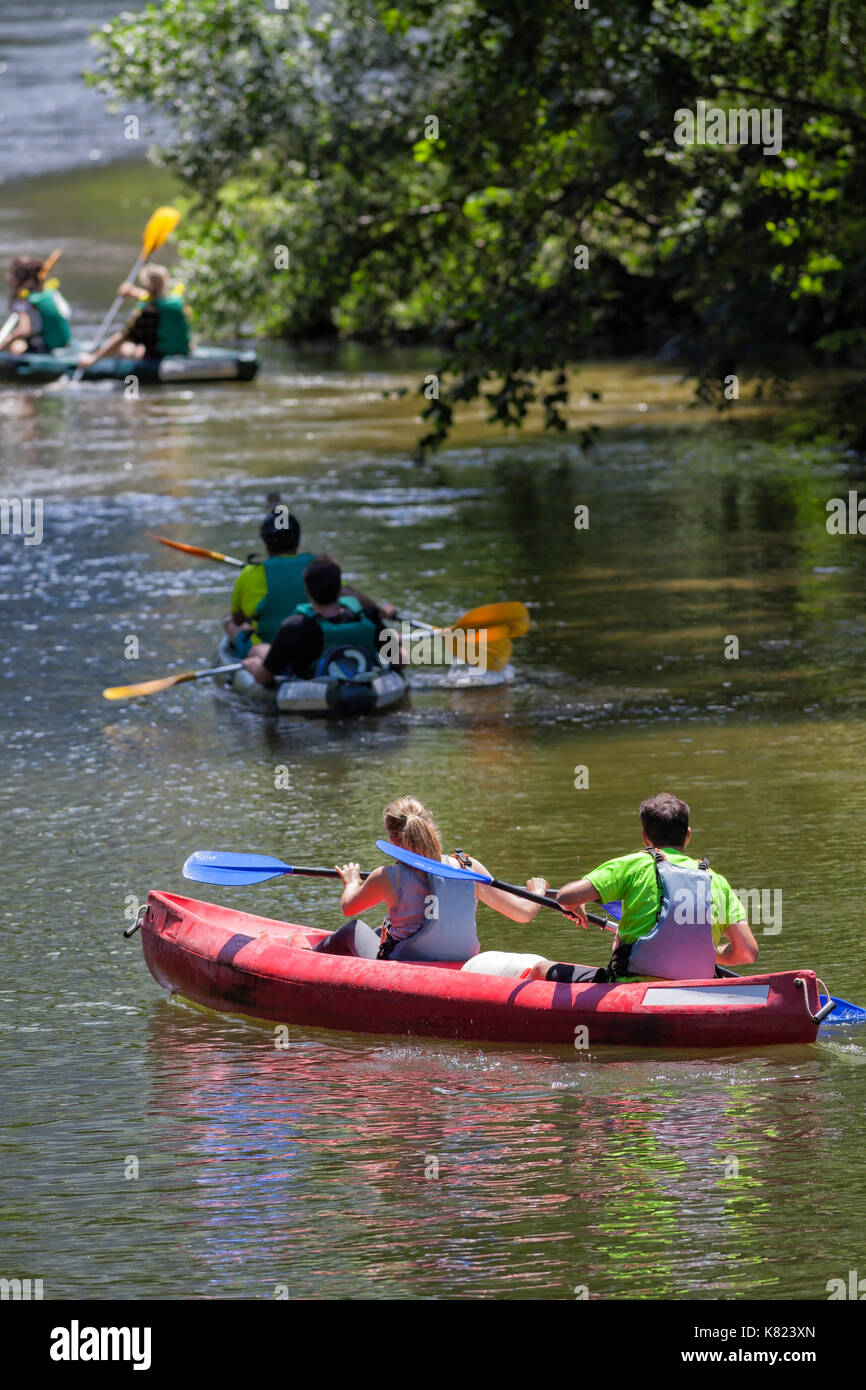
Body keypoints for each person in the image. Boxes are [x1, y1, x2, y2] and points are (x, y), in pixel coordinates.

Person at [475, 793, 758, 984]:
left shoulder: (634, 865)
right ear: (688, 836)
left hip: (628, 988)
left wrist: (577, 903)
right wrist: (708, 952)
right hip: (696, 988)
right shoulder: (716, 881)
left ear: (645, 837)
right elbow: (747, 953)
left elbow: (565, 896)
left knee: (539, 969)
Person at [314, 796, 550, 962]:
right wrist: (537, 892)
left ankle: (308, 957)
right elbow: (523, 913)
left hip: (409, 961)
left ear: (394, 841)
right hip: (462, 958)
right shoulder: (467, 865)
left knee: (352, 929)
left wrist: (352, 882)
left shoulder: (387, 876)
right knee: (379, 931)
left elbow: (349, 907)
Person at [242, 554, 398, 684]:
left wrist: (255, 667)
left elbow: (263, 678)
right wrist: (396, 642)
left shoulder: (294, 626)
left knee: (258, 650)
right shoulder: (368, 616)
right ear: (339, 589)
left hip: (314, 691)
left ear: (307, 591)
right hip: (362, 682)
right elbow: (399, 662)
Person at [225, 499, 316, 657]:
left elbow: (238, 619)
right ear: (298, 540)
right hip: (310, 644)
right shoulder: (317, 567)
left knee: (230, 623)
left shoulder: (249, 573)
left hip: (267, 652)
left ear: (266, 543)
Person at [77, 263, 190, 367]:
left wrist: (93, 359)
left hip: (158, 356)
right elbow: (155, 297)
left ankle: (94, 359)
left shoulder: (148, 311)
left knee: (126, 348)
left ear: (148, 286)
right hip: (182, 351)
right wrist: (132, 292)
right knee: (137, 347)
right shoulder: (177, 302)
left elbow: (124, 336)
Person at [0, 256, 72, 355]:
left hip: (40, 347)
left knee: (16, 344)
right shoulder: (49, 292)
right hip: (61, 343)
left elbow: (24, 330)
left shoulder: (23, 300)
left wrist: (5, 342)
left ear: (17, 278)